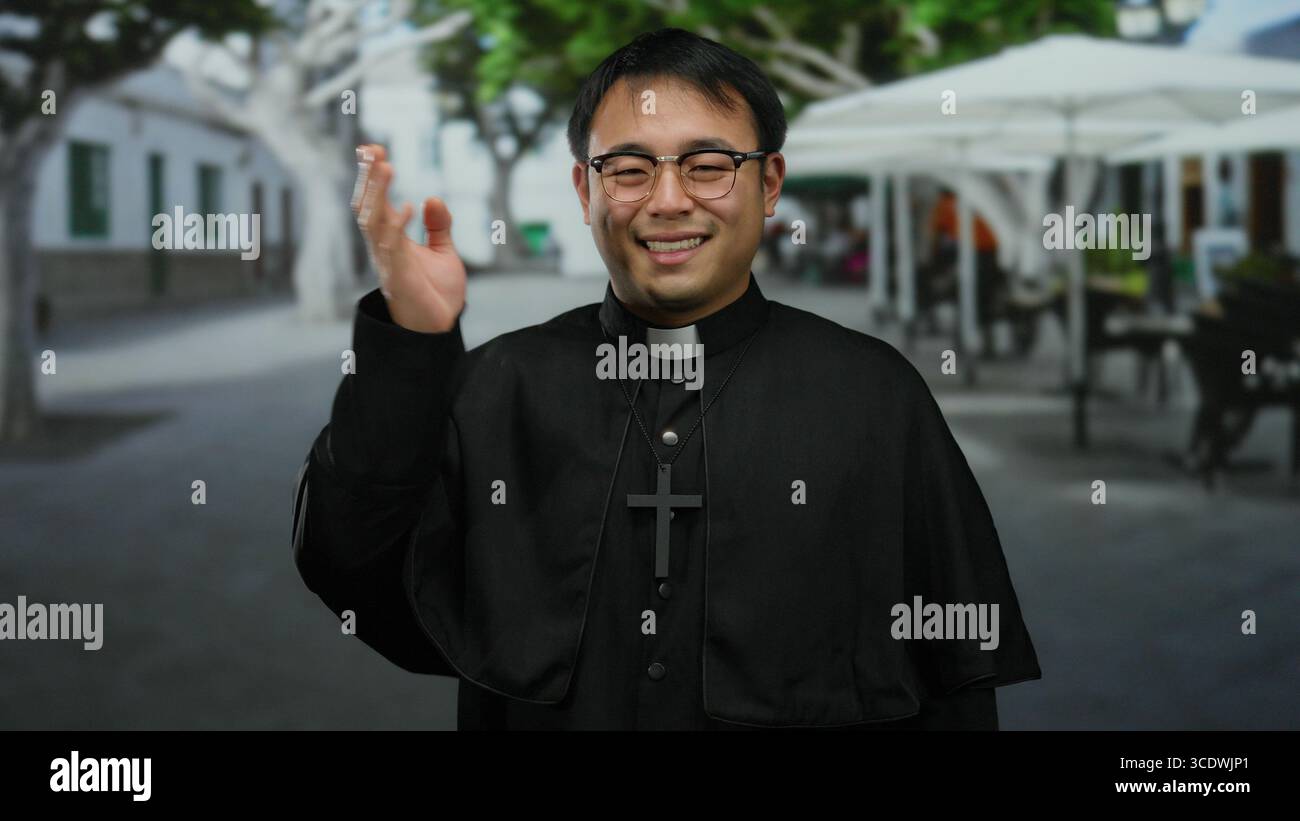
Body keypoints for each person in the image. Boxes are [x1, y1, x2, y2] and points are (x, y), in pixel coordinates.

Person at [292, 28, 1040, 730]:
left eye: (709, 165)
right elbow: (352, 567)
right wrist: (412, 347)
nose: (670, 199)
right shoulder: (500, 384)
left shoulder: (876, 394)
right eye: (629, 169)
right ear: (586, 191)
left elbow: (956, 677)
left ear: (770, 183)